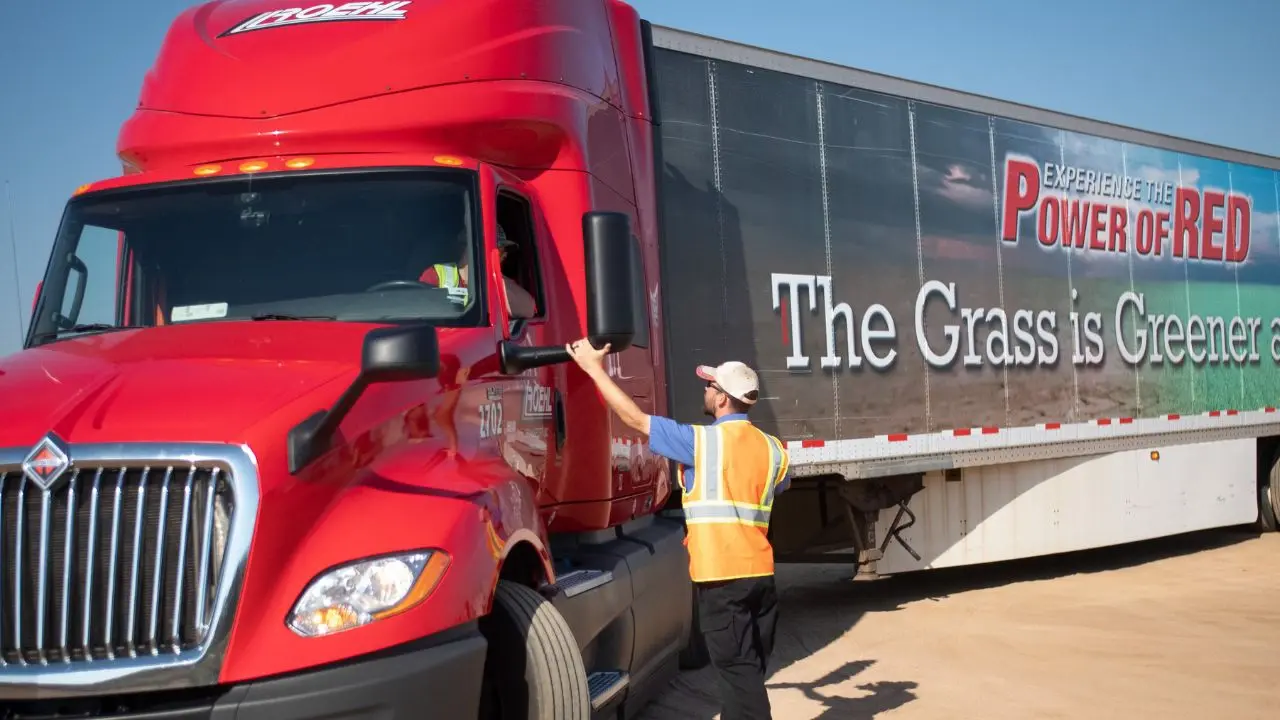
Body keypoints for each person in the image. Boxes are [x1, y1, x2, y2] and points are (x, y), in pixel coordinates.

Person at [564, 338, 790, 720]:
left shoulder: (700, 442)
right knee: (746, 673)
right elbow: (775, 487)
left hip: (722, 580)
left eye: (710, 386)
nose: (704, 390)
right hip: (761, 577)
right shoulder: (774, 450)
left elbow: (634, 420)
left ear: (722, 399)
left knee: (739, 679)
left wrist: (592, 368)